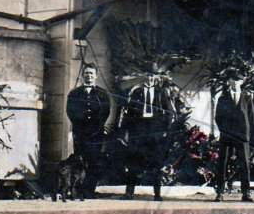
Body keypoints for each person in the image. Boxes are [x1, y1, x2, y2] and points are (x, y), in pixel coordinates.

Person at [119, 72, 183, 201]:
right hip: (139, 131)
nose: (150, 78)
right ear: (145, 77)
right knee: (134, 162)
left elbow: (169, 112)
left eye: (153, 76)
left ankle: (157, 194)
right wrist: (128, 131)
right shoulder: (137, 92)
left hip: (155, 132)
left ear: (156, 78)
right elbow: (129, 113)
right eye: (148, 75)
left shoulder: (161, 92)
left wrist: (165, 130)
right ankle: (129, 193)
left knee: (156, 163)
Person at [65, 63, 114, 199]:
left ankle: (89, 191)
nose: (89, 76)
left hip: (96, 134)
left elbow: (106, 111)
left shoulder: (102, 94)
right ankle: (77, 190)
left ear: (96, 76)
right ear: (82, 75)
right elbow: (70, 111)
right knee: (79, 161)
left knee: (94, 162)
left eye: (91, 73)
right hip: (80, 132)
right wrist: (80, 124)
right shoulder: (74, 93)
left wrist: (96, 127)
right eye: (86, 73)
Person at [214, 77, 254, 202]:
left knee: (245, 164)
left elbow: (252, 117)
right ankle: (220, 193)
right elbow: (218, 117)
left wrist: (246, 131)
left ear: (241, 82)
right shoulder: (222, 98)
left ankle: (246, 193)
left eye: (238, 80)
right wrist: (224, 130)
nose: (235, 83)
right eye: (233, 80)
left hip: (242, 136)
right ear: (229, 82)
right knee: (223, 163)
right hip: (227, 135)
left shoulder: (247, 98)